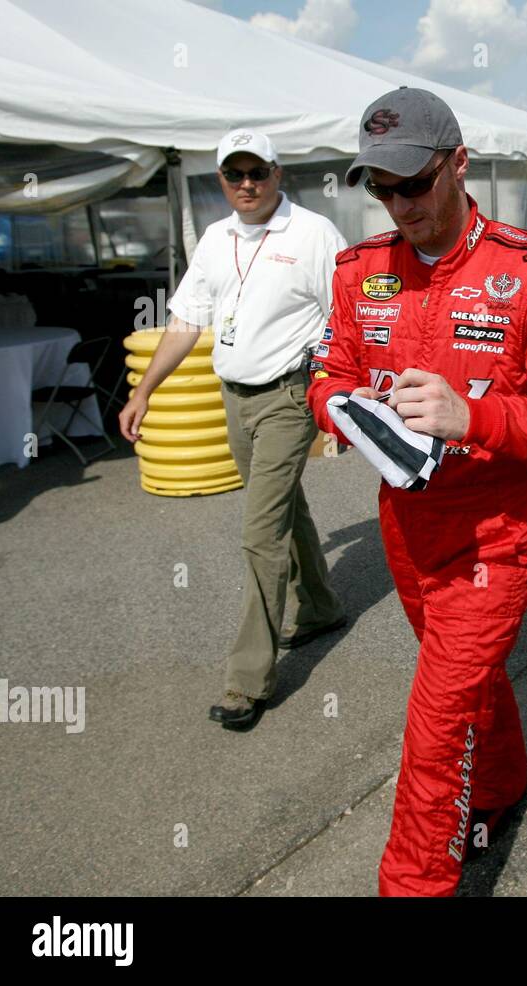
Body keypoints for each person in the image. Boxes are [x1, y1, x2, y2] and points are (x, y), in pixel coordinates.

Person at [306, 88, 527, 896]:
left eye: (414, 183)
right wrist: (338, 406)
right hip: (405, 522)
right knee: (470, 683)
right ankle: (502, 786)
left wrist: (470, 415)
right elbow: (328, 370)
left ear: (459, 164)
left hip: (496, 531)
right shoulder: (358, 271)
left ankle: (413, 885)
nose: (399, 204)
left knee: (437, 723)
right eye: (381, 188)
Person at [118, 129, 347, 732]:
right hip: (234, 398)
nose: (246, 185)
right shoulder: (217, 239)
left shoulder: (314, 234)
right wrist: (143, 391)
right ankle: (320, 606)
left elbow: (348, 317)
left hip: (289, 396)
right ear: (221, 180)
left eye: (257, 173)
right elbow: (185, 320)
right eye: (233, 175)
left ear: (278, 174)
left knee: (258, 534)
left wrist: (341, 402)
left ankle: (248, 680)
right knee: (279, 507)